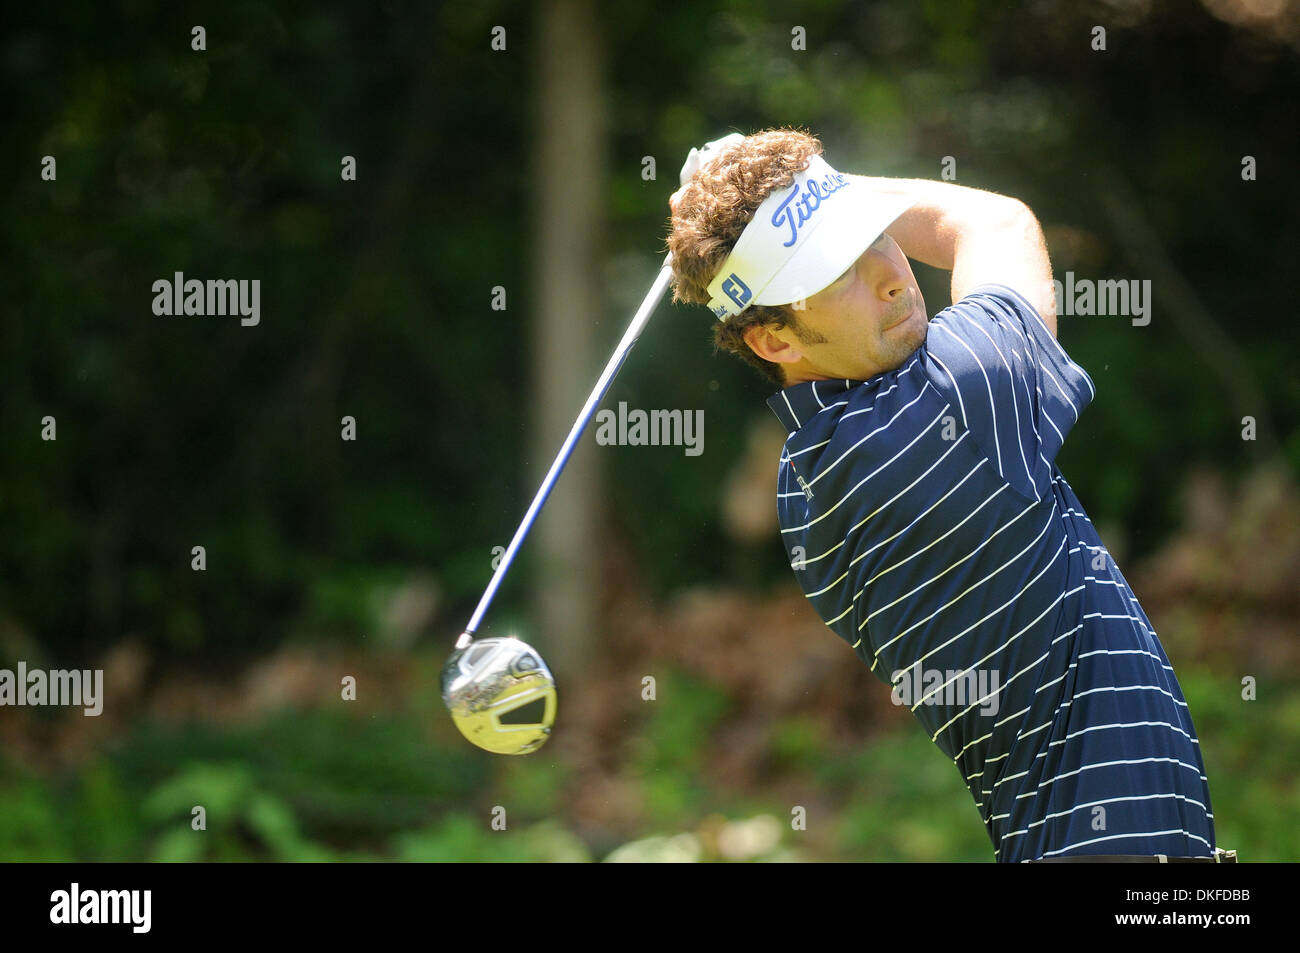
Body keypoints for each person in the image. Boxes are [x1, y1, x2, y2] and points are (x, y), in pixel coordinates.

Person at [666, 128, 1232, 863]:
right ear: (775, 339)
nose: (893, 277)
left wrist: (794, 198)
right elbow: (995, 223)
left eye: (874, 238)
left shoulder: (809, 482)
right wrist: (824, 187)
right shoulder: (947, 410)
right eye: (838, 270)